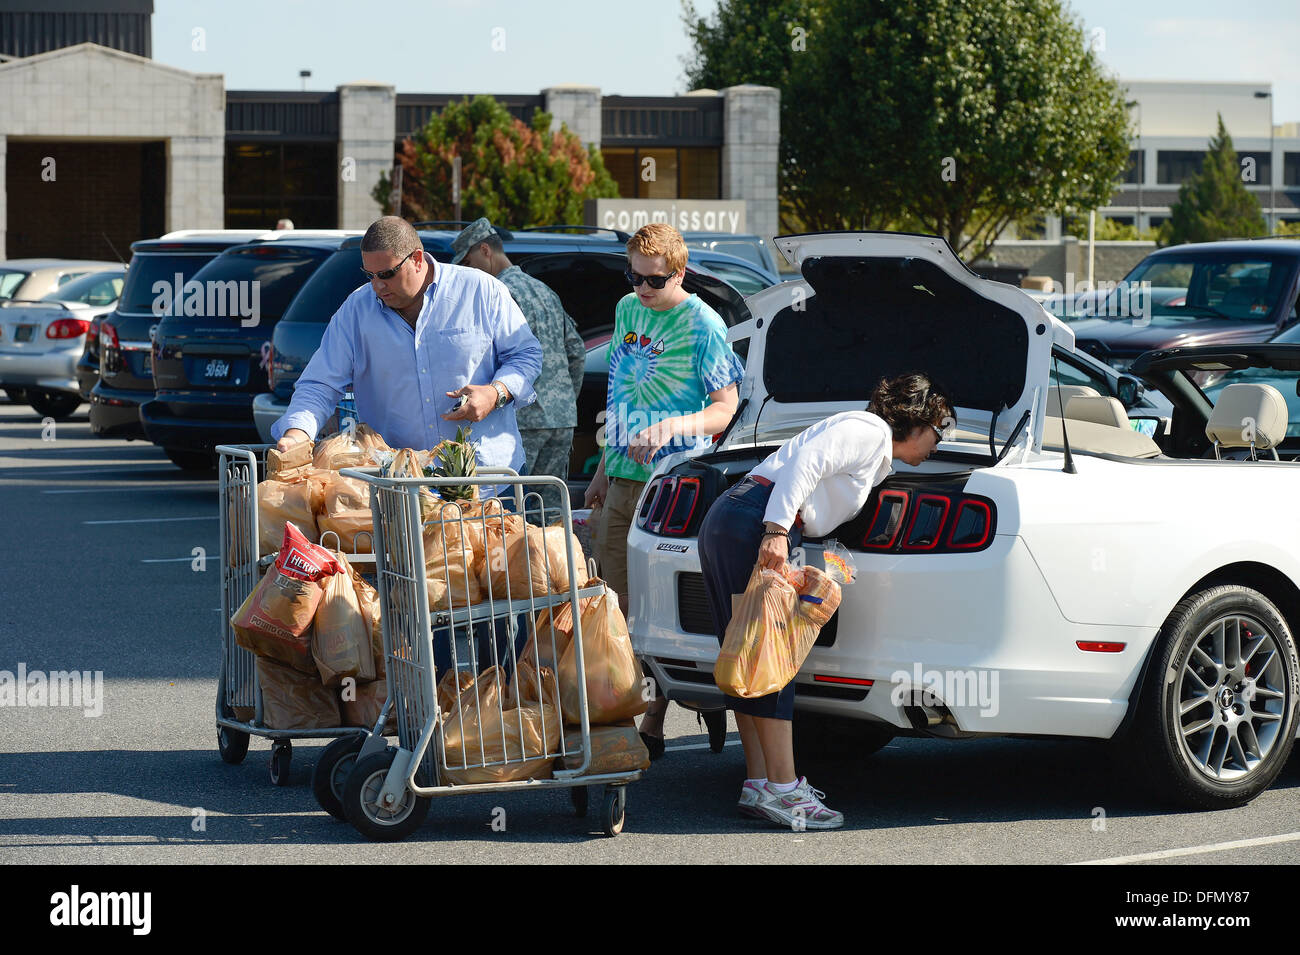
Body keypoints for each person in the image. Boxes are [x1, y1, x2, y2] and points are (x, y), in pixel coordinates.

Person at [272, 215, 543, 676]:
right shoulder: (357, 312)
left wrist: (494, 393)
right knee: (421, 607)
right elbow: (320, 383)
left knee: (499, 608)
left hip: (487, 484)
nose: (377, 286)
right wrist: (298, 432)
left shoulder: (480, 291)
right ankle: (434, 719)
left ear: (417, 259)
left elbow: (527, 355)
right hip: (409, 492)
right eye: (369, 275)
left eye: (387, 274)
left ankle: (500, 719)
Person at [697, 372, 954, 830]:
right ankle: (784, 789)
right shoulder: (867, 429)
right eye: (939, 431)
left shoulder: (873, 448)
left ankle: (758, 783)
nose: (939, 442)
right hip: (757, 522)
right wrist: (777, 531)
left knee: (747, 656)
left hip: (736, 518)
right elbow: (806, 466)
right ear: (915, 422)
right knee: (773, 658)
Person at [582, 222, 746, 758]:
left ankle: (650, 719)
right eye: (633, 276)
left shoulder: (703, 323)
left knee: (660, 608)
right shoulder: (629, 308)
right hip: (623, 475)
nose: (643, 288)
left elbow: (726, 408)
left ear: (680, 272)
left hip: (675, 489)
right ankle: (629, 712)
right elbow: (620, 389)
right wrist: (605, 468)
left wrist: (672, 427)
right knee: (616, 604)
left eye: (653, 279)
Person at [453, 218, 584, 524]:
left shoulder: (498, 292)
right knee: (550, 513)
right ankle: (555, 569)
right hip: (560, 420)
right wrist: (564, 399)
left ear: (485, 250)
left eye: (469, 263)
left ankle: (522, 572)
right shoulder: (543, 290)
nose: (467, 272)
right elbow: (576, 350)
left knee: (511, 515)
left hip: (522, 418)